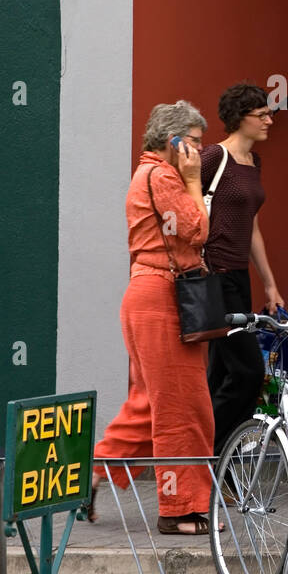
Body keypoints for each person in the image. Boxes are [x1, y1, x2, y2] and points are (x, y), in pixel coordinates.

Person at [89, 101, 217, 535]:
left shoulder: (149, 174)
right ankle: (179, 509)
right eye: (196, 142)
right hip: (162, 298)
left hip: (151, 295)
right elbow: (198, 230)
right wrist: (196, 180)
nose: (201, 150)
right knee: (181, 406)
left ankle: (89, 476)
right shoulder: (163, 176)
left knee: (150, 402)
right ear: (174, 142)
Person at [201, 82, 285, 454]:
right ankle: (210, 454)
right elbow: (182, 204)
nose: (270, 120)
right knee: (248, 373)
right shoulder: (214, 158)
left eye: (270, 112)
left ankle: (212, 465)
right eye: (262, 114)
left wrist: (269, 284)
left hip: (238, 277)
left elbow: (252, 227)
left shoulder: (255, 162)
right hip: (212, 277)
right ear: (240, 119)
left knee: (221, 374)